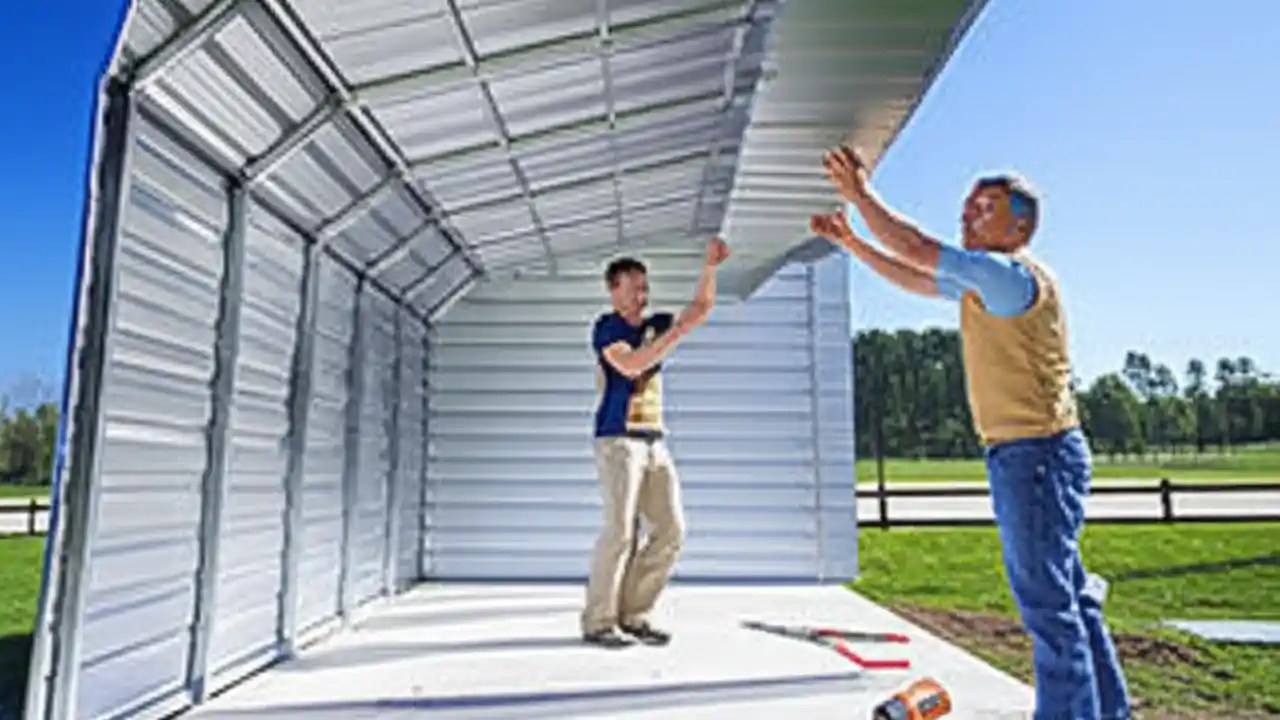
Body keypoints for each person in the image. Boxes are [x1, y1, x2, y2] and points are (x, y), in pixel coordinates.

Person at [810, 145, 1132, 720]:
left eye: (983, 208)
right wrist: (851, 241)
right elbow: (914, 276)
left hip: (1034, 456)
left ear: (1020, 224)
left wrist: (860, 197)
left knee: (1048, 605)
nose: (967, 216)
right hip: (1038, 453)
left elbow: (915, 248)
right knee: (1071, 600)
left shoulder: (1006, 273)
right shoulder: (990, 284)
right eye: (966, 207)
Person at [580, 236, 731, 649]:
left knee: (670, 529)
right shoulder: (607, 328)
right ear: (614, 290)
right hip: (617, 440)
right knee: (620, 532)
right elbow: (630, 366)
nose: (643, 295)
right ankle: (598, 621)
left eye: (645, 287)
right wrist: (672, 334)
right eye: (634, 288)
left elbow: (699, 311)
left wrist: (710, 267)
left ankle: (634, 614)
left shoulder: (656, 324)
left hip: (654, 440)